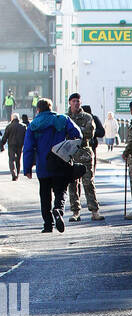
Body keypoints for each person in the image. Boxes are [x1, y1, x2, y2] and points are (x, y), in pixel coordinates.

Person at [22, 97, 81, 233]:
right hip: (61, 161)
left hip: (43, 164)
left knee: (44, 194)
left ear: (38, 110)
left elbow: (28, 148)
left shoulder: (33, 125)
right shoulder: (62, 119)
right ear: (51, 108)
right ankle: (58, 210)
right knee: (61, 190)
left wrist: (27, 168)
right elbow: (77, 134)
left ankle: (48, 225)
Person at [66, 93, 104, 221]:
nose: (76, 103)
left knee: (88, 183)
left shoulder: (87, 117)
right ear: (70, 103)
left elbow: (89, 133)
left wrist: (74, 132)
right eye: (74, 101)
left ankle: (94, 210)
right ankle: (75, 211)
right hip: (70, 154)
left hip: (85, 154)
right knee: (72, 184)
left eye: (78, 101)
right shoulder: (65, 118)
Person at [1, 112, 25, 179]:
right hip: (20, 145)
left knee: (11, 160)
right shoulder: (23, 126)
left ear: (12, 118)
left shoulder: (9, 126)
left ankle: (13, 173)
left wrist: (2, 144)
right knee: (18, 160)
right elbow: (26, 137)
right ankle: (17, 174)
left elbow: (5, 136)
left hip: (11, 145)